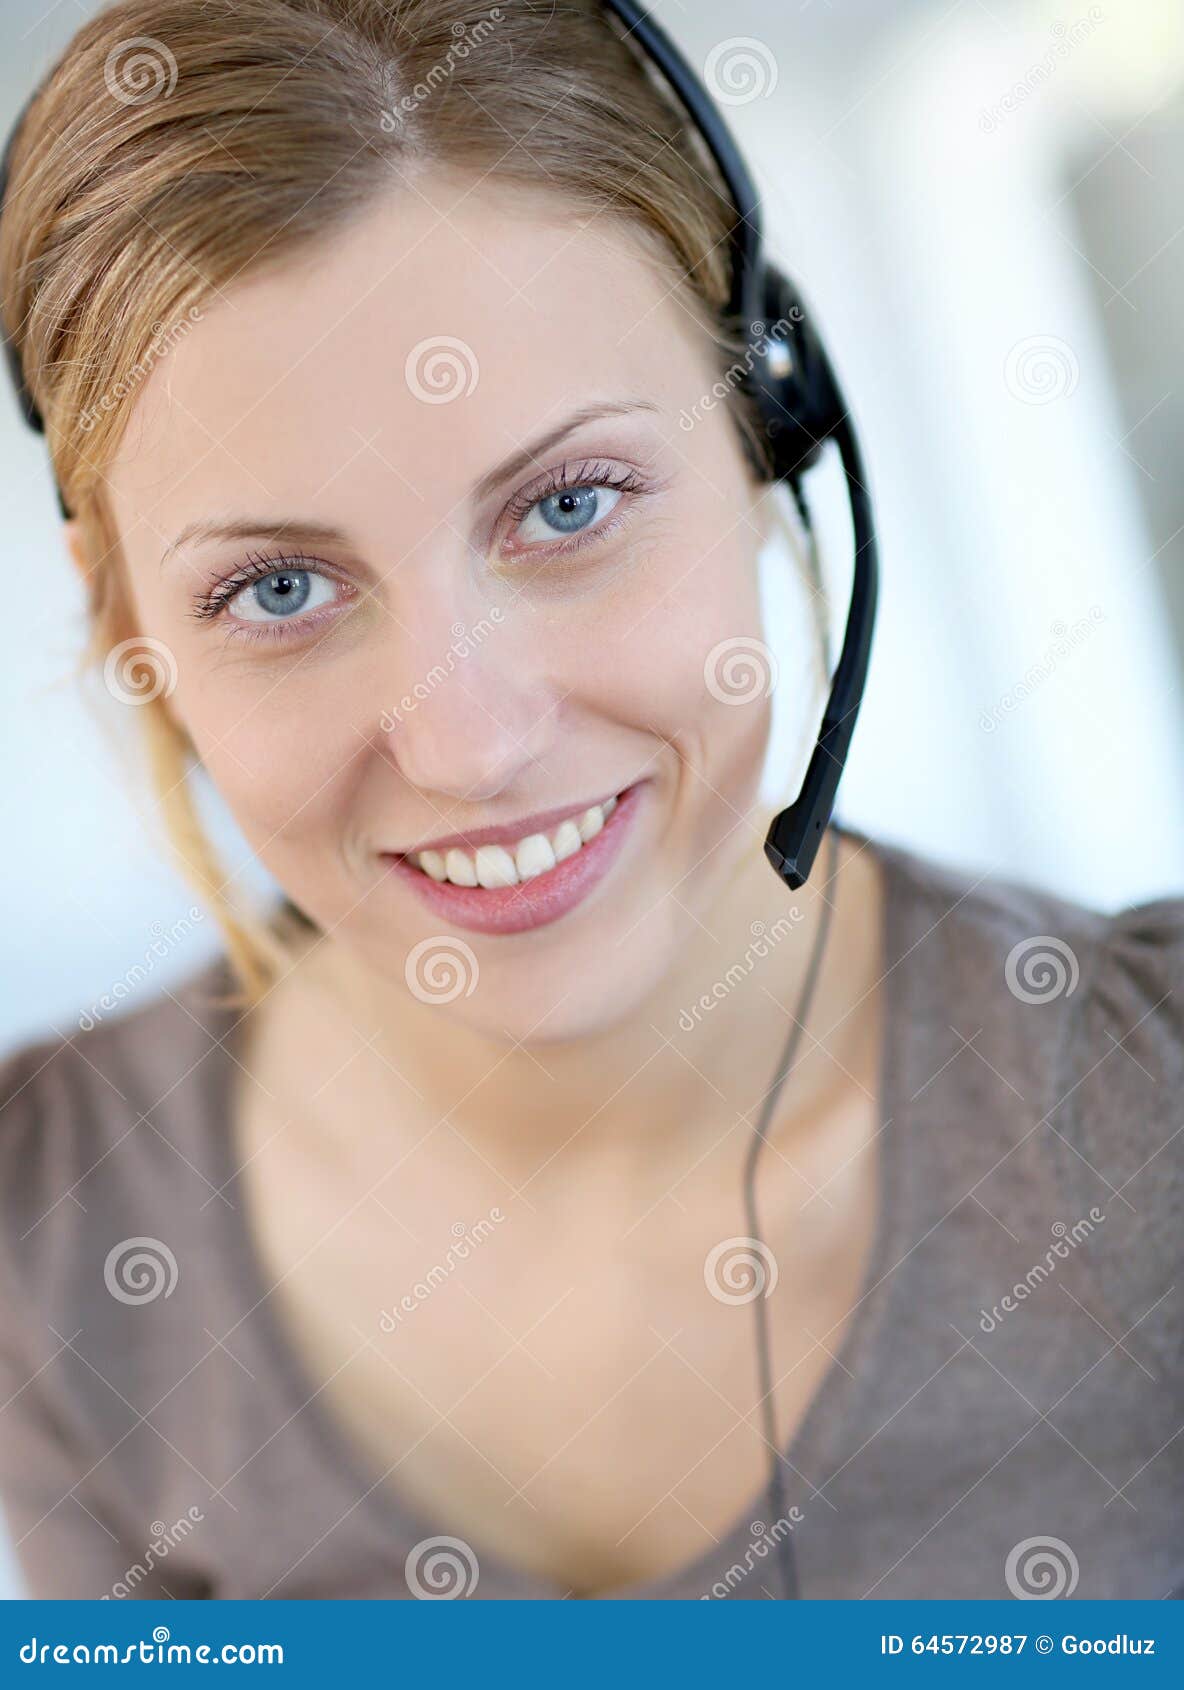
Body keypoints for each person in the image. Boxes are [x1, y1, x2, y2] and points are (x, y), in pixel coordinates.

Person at [0, 0, 1180, 1602]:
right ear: (129, 618)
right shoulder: (51, 1231)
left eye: (568, 503)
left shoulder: (1145, 1114)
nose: (472, 743)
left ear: (771, 436)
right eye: (280, 586)